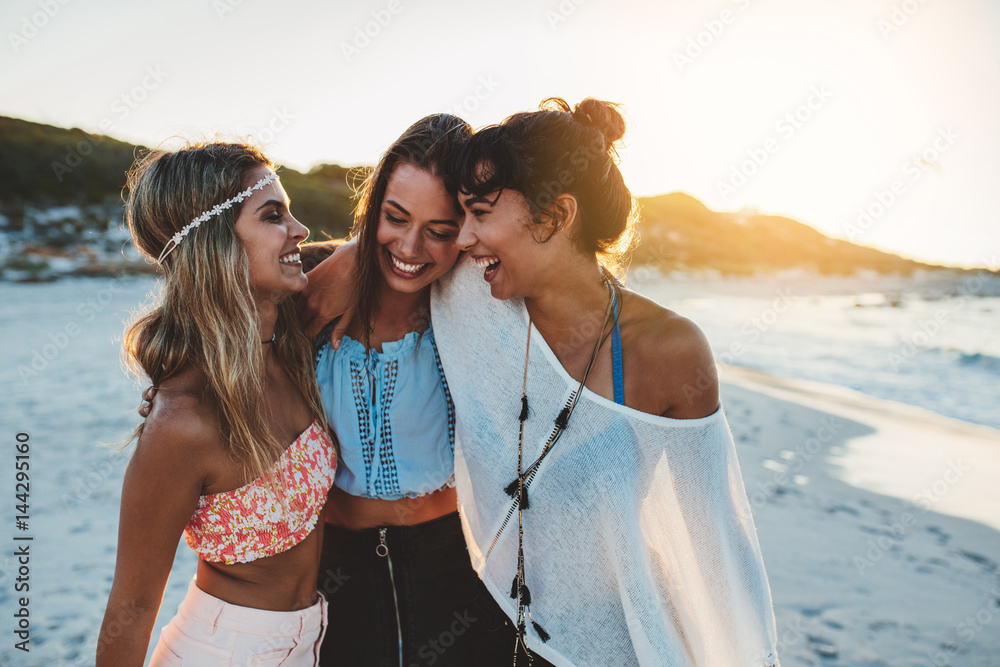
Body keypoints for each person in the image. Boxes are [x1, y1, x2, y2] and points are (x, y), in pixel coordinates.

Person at [306, 98, 780, 666]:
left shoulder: (669, 351)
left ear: (555, 217)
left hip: (607, 644)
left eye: (476, 215)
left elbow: (717, 547)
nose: (462, 238)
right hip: (489, 625)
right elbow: (397, 250)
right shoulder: (472, 291)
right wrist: (351, 257)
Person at [99, 142, 336, 666]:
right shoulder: (183, 420)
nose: (300, 229)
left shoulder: (289, 341)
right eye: (273, 216)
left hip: (310, 644)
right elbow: (133, 607)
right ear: (216, 245)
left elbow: (386, 251)